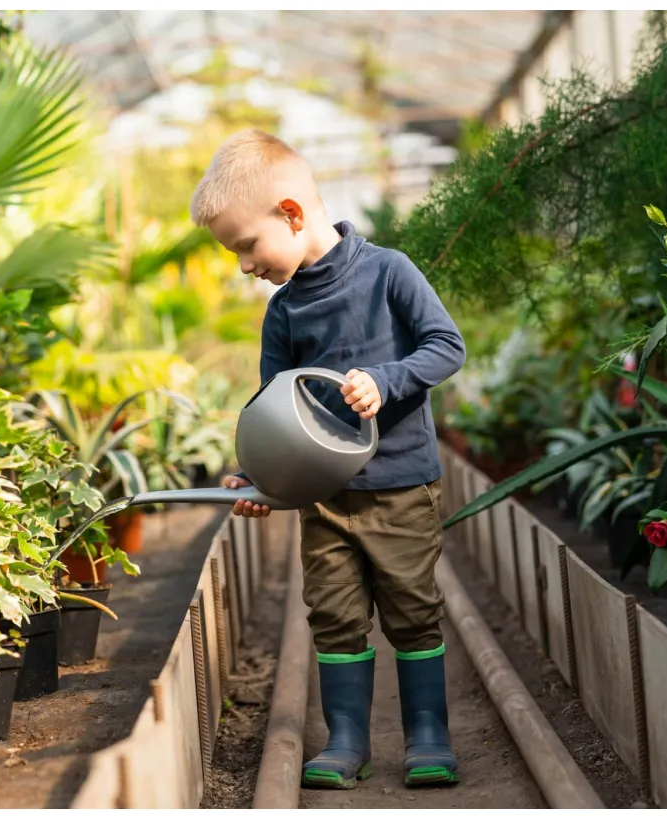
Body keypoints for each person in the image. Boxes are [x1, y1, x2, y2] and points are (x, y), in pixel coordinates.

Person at [190, 129, 467, 790]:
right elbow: (271, 408)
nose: (244, 266)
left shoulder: (389, 272)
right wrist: (259, 476)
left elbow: (445, 346)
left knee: (411, 607)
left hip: (400, 485)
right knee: (335, 613)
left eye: (246, 246)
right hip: (324, 498)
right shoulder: (284, 312)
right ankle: (346, 738)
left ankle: (428, 730)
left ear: (291, 213)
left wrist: (387, 380)